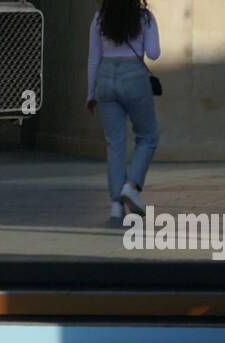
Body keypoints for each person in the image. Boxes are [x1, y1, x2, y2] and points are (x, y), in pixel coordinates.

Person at [86, 0, 160, 223]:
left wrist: (90, 93)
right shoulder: (145, 18)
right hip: (134, 76)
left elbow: (93, 58)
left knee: (115, 143)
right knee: (148, 136)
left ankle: (116, 206)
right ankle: (132, 186)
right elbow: (154, 53)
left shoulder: (99, 18)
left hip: (105, 78)